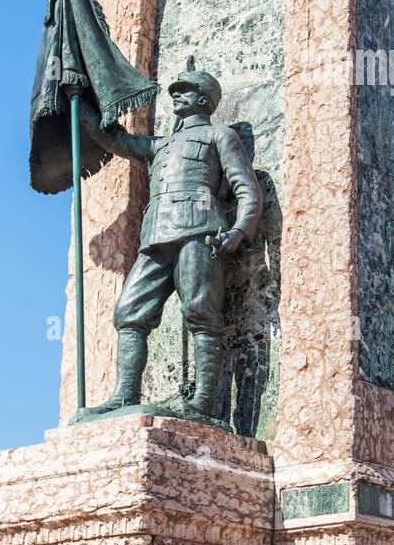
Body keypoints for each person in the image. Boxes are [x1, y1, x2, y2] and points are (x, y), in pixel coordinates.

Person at [72, 57, 262, 420]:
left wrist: (238, 233)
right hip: (157, 236)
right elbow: (116, 140)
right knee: (128, 311)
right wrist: (79, 100)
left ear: (204, 100)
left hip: (200, 232)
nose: (176, 95)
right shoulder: (160, 145)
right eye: (175, 91)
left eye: (185, 91)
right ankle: (125, 396)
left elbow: (247, 190)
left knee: (200, 312)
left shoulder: (219, 136)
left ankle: (202, 404)